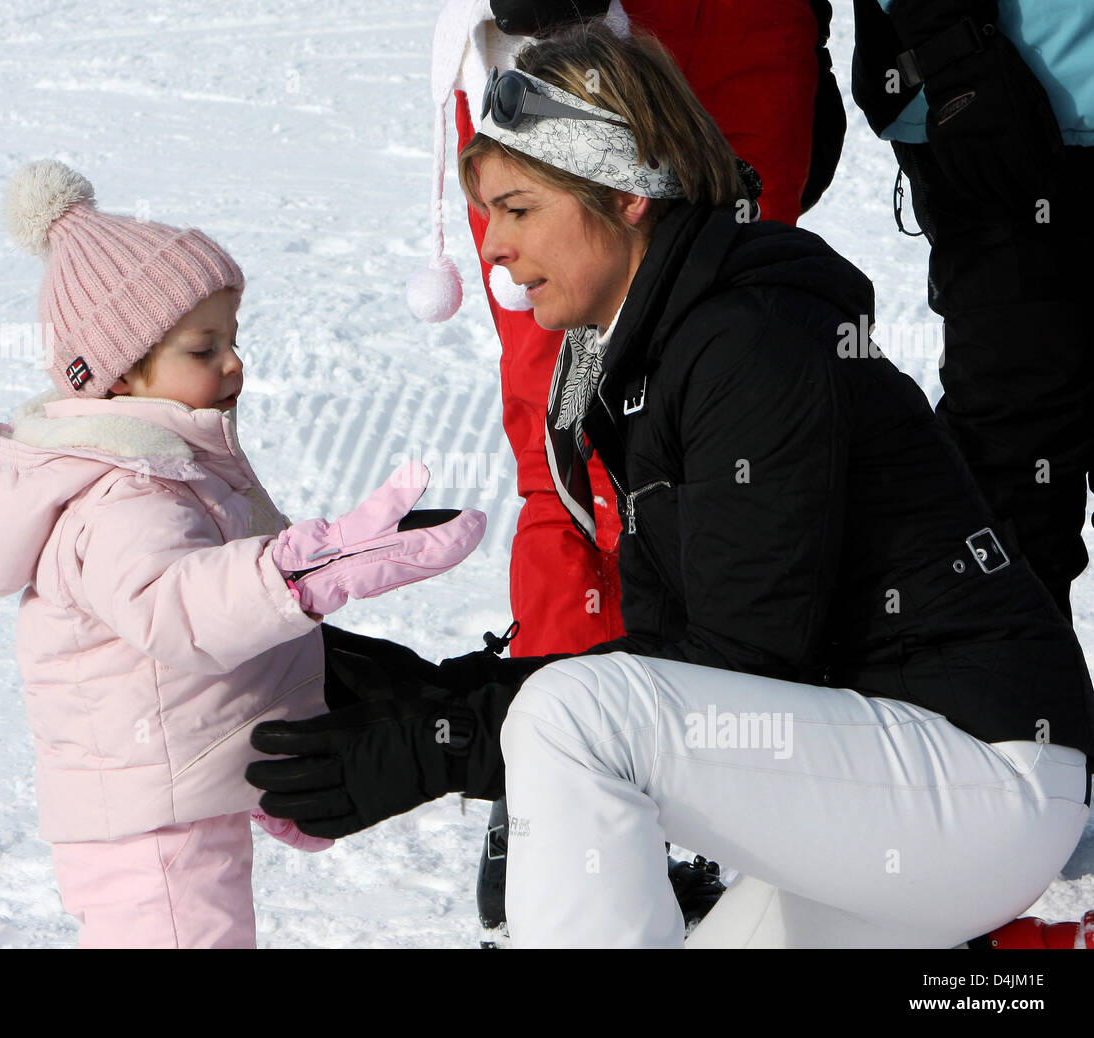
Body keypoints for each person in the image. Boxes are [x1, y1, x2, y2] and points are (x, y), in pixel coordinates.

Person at [248, 24, 1094, 948]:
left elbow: (729, 675)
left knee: (572, 719)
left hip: (976, 778)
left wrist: (435, 741)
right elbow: (671, 668)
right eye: (487, 215)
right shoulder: (650, 357)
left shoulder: (747, 346)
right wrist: (424, 694)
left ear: (624, 193)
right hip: (889, 787)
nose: (492, 248)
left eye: (519, 208)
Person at [0, 160, 485, 948]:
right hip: (150, 831)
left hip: (169, 802)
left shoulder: (158, 465)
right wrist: (309, 568)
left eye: (233, 339)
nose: (234, 364)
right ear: (119, 375)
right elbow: (183, 609)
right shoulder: (122, 494)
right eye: (205, 349)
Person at [416, 0, 843, 942]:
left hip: (748, 29)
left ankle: (704, 772)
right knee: (568, 412)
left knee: (725, 366)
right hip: (566, 29)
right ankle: (555, 773)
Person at [851, 0, 1094, 621]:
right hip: (1007, 105)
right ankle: (1020, 710)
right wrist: (952, 51)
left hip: (1001, 91)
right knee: (1016, 457)